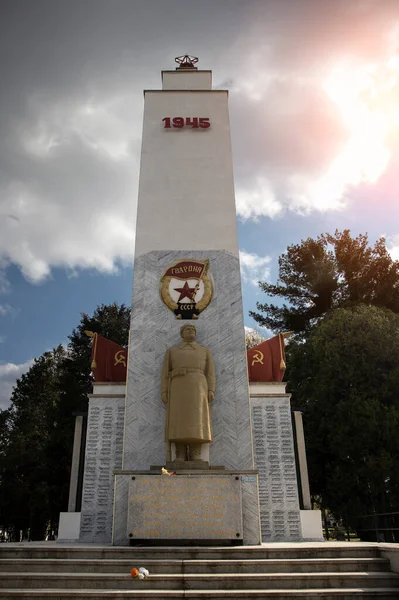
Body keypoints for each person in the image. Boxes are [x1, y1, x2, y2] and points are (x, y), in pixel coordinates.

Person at [161, 324, 215, 462]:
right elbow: (165, 374)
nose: (190, 331)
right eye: (187, 329)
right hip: (178, 387)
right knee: (178, 420)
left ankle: (195, 453)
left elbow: (210, 372)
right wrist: (164, 390)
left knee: (197, 419)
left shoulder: (204, 351)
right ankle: (179, 454)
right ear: (181, 333)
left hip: (198, 387)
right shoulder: (172, 351)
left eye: (193, 329)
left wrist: (211, 389)